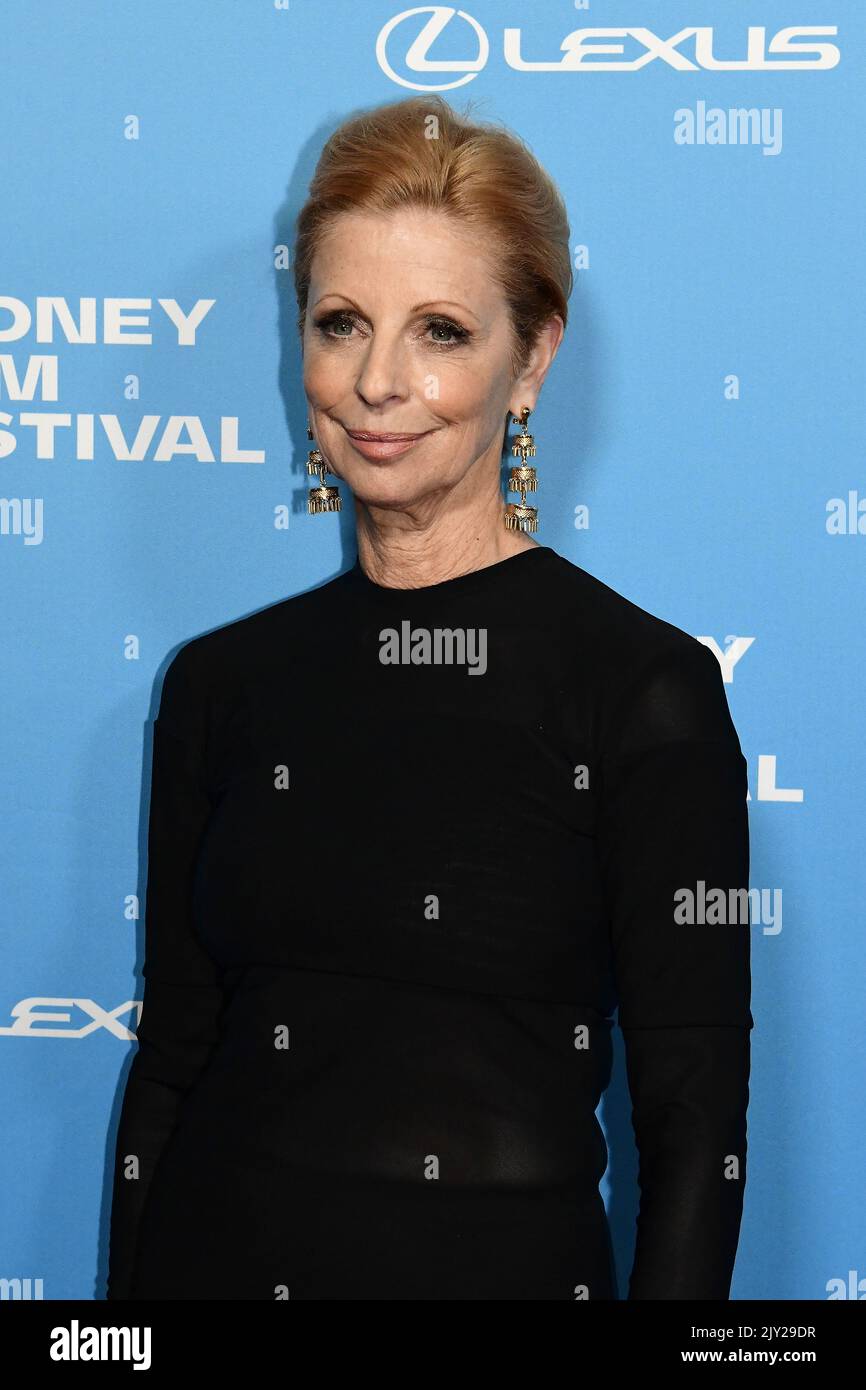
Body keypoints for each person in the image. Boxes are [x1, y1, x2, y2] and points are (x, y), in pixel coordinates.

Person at [107, 94, 753, 1300]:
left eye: (441, 331)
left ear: (533, 357)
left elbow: (693, 1111)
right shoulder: (221, 684)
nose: (377, 382)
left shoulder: (642, 690)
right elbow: (174, 1062)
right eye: (340, 322)